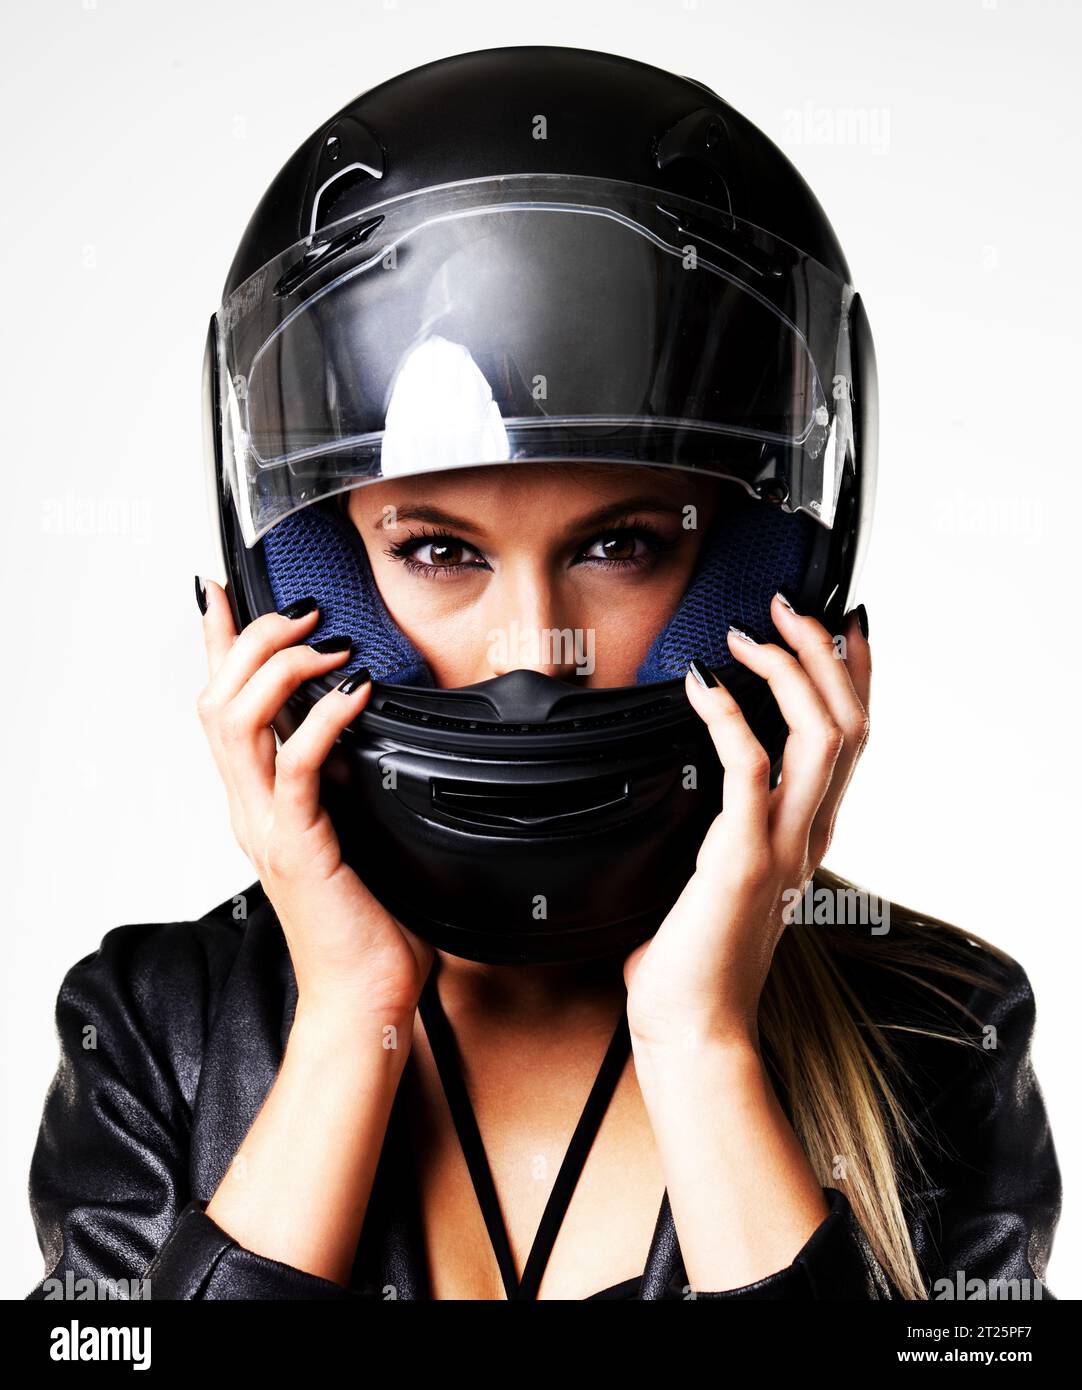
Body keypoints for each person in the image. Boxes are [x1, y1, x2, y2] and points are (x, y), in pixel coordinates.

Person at [24, 47, 1061, 1301]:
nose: (533, 649)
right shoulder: (153, 1036)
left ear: (764, 580)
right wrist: (350, 1024)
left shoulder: (940, 1032)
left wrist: (701, 1043)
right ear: (294, 587)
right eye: (435, 550)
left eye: (621, 545)